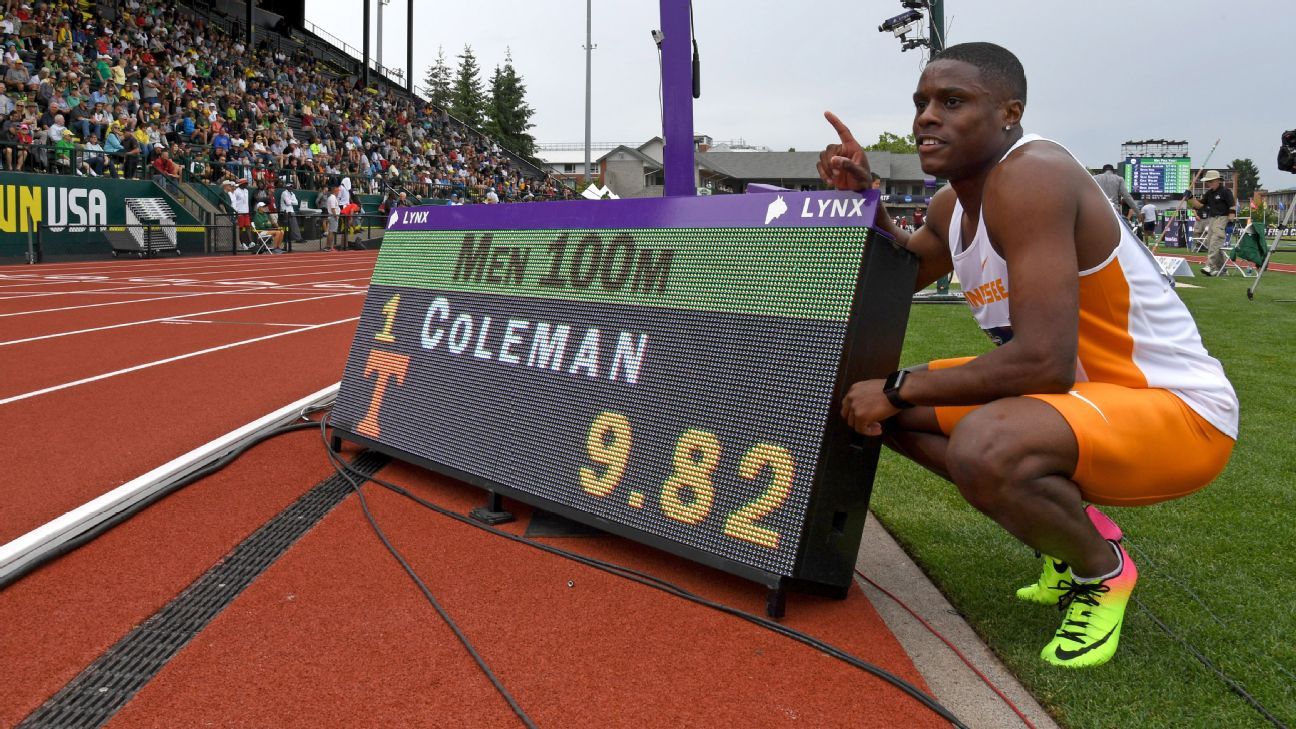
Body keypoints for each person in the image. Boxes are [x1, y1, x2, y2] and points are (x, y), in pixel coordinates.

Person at [820, 42, 1237, 668]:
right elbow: (895, 274)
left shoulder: (1033, 175)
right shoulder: (950, 206)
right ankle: (1061, 533)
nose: (927, 118)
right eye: (922, 103)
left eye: (952, 102)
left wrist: (901, 385)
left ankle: (1102, 570)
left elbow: (1042, 360)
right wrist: (865, 201)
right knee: (874, 407)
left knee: (979, 439)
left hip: (1175, 410)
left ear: (1010, 112)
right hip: (1076, 400)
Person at [1185, 170, 1236, 276]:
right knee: (1211, 243)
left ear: (1217, 180)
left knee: (1215, 241)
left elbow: (1232, 206)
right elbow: (1199, 205)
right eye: (1207, 182)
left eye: (1210, 181)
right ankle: (1222, 268)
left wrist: (1231, 219)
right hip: (1211, 219)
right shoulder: (1209, 193)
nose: (1208, 184)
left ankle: (1210, 266)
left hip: (1222, 218)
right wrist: (1190, 198)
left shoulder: (1225, 191)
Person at [279, 180, 302, 248]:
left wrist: (290, 201)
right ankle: (287, 240)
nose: (291, 188)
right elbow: (288, 203)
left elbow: (296, 202)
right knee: (287, 227)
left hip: (291, 211)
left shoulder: (292, 193)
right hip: (285, 211)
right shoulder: (284, 193)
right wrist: (292, 201)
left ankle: (297, 238)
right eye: (290, 187)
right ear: (287, 187)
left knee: (294, 225)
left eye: (292, 187)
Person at [324, 182, 341, 251]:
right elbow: (333, 208)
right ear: (335, 191)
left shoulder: (331, 198)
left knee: (331, 231)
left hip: (332, 216)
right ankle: (328, 247)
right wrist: (336, 216)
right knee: (332, 232)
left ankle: (329, 246)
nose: (338, 193)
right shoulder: (333, 198)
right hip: (333, 216)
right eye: (337, 191)